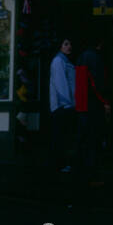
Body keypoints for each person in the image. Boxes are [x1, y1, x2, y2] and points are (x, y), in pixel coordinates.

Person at [75, 35, 111, 187]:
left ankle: (82, 173)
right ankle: (92, 175)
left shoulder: (81, 58)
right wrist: (105, 102)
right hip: (92, 106)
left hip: (82, 105)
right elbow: (97, 84)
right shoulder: (95, 58)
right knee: (93, 141)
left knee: (84, 140)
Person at [48, 37, 76, 174]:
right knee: (61, 137)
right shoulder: (59, 61)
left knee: (62, 137)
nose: (69, 46)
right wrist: (67, 103)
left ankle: (61, 163)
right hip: (61, 106)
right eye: (65, 44)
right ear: (59, 46)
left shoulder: (64, 61)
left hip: (64, 105)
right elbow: (61, 85)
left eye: (69, 43)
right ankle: (59, 164)